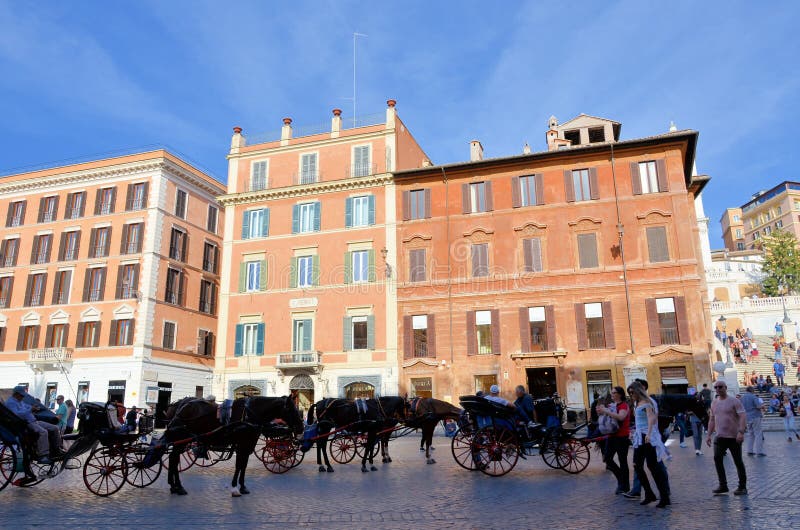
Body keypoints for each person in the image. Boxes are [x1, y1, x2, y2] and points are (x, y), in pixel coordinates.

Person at [627, 381, 670, 508]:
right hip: (639, 437)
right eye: (629, 393)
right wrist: (634, 431)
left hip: (647, 437)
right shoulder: (636, 403)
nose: (631, 394)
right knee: (637, 465)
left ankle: (664, 497)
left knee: (653, 467)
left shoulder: (647, 402)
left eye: (632, 392)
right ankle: (649, 493)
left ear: (638, 391)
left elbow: (651, 418)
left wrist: (649, 434)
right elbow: (640, 421)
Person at [706, 380, 747, 496]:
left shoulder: (734, 401)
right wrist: (708, 435)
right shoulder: (714, 403)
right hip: (719, 437)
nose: (718, 389)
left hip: (734, 437)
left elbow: (743, 416)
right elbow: (712, 419)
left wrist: (741, 432)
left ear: (726, 387)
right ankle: (723, 485)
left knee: (738, 461)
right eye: (716, 387)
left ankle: (742, 487)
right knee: (717, 458)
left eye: (720, 387)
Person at [5, 386, 63, 464]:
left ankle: (57, 449)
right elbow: (17, 415)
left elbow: (27, 407)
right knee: (43, 432)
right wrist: (30, 409)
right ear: (16, 394)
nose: (22, 397)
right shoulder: (10, 402)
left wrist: (34, 407)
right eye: (21, 395)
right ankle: (43, 455)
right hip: (26, 423)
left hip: (34, 421)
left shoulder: (20, 401)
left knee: (55, 428)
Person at [596, 386, 630, 495]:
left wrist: (606, 410)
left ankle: (624, 486)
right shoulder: (612, 405)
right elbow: (604, 415)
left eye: (614, 393)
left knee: (623, 461)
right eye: (612, 393)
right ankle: (621, 479)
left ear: (620, 394)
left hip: (622, 437)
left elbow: (621, 417)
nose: (612, 395)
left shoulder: (624, 405)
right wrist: (600, 410)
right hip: (611, 436)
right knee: (607, 458)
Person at [740, 386, 765, 457]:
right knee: (758, 434)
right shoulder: (753, 397)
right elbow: (758, 406)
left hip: (747, 417)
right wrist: (763, 405)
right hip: (755, 416)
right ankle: (759, 451)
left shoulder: (742, 398)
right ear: (752, 390)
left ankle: (749, 450)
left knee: (751, 434)